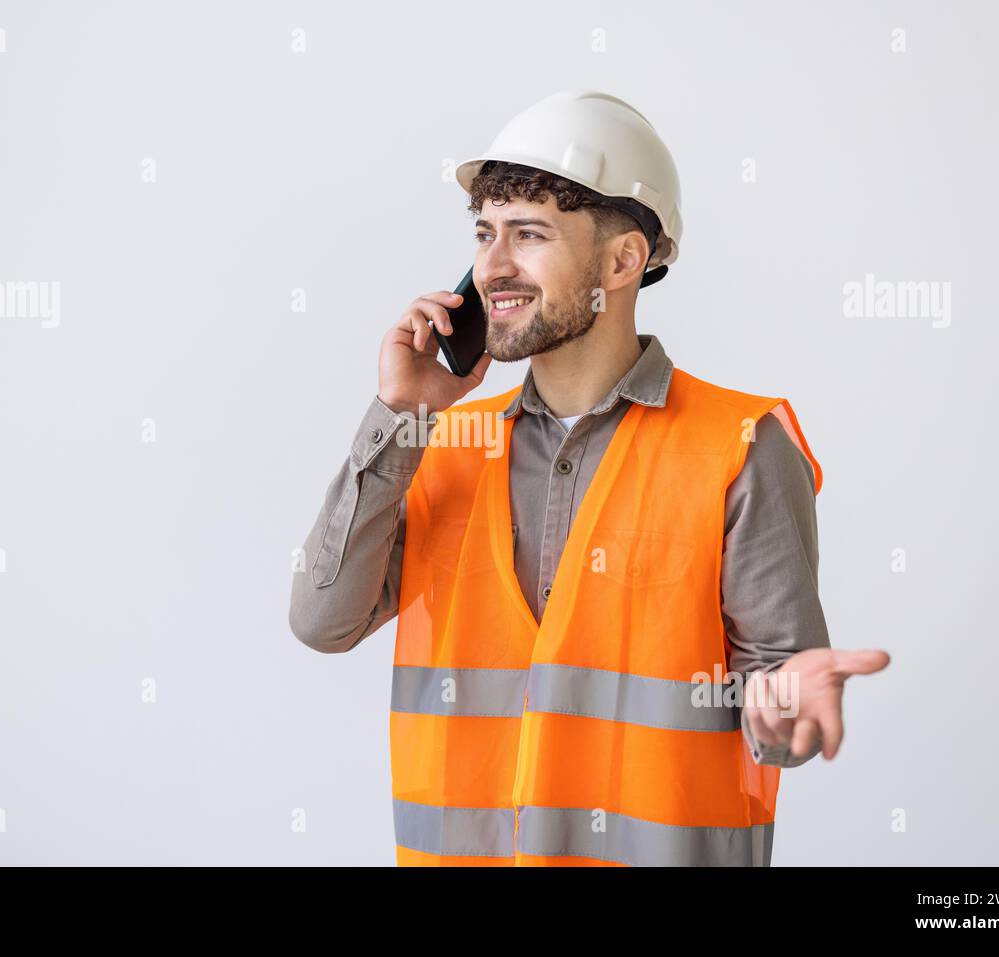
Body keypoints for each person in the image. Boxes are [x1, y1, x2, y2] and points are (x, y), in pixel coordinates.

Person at [289, 91, 889, 866]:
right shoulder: (444, 441)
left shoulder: (739, 446)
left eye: (528, 234)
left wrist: (792, 703)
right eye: (484, 234)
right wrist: (399, 412)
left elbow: (782, 731)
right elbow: (322, 622)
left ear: (622, 260)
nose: (491, 267)